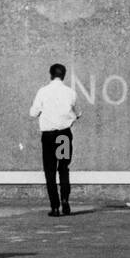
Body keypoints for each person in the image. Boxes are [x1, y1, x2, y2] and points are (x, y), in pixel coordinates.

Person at [30, 63, 81, 216]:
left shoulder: (43, 91)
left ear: (50, 74)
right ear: (64, 75)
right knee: (64, 168)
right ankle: (65, 200)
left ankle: (54, 206)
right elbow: (78, 113)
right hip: (64, 134)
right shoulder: (71, 92)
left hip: (48, 136)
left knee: (50, 171)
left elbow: (33, 113)